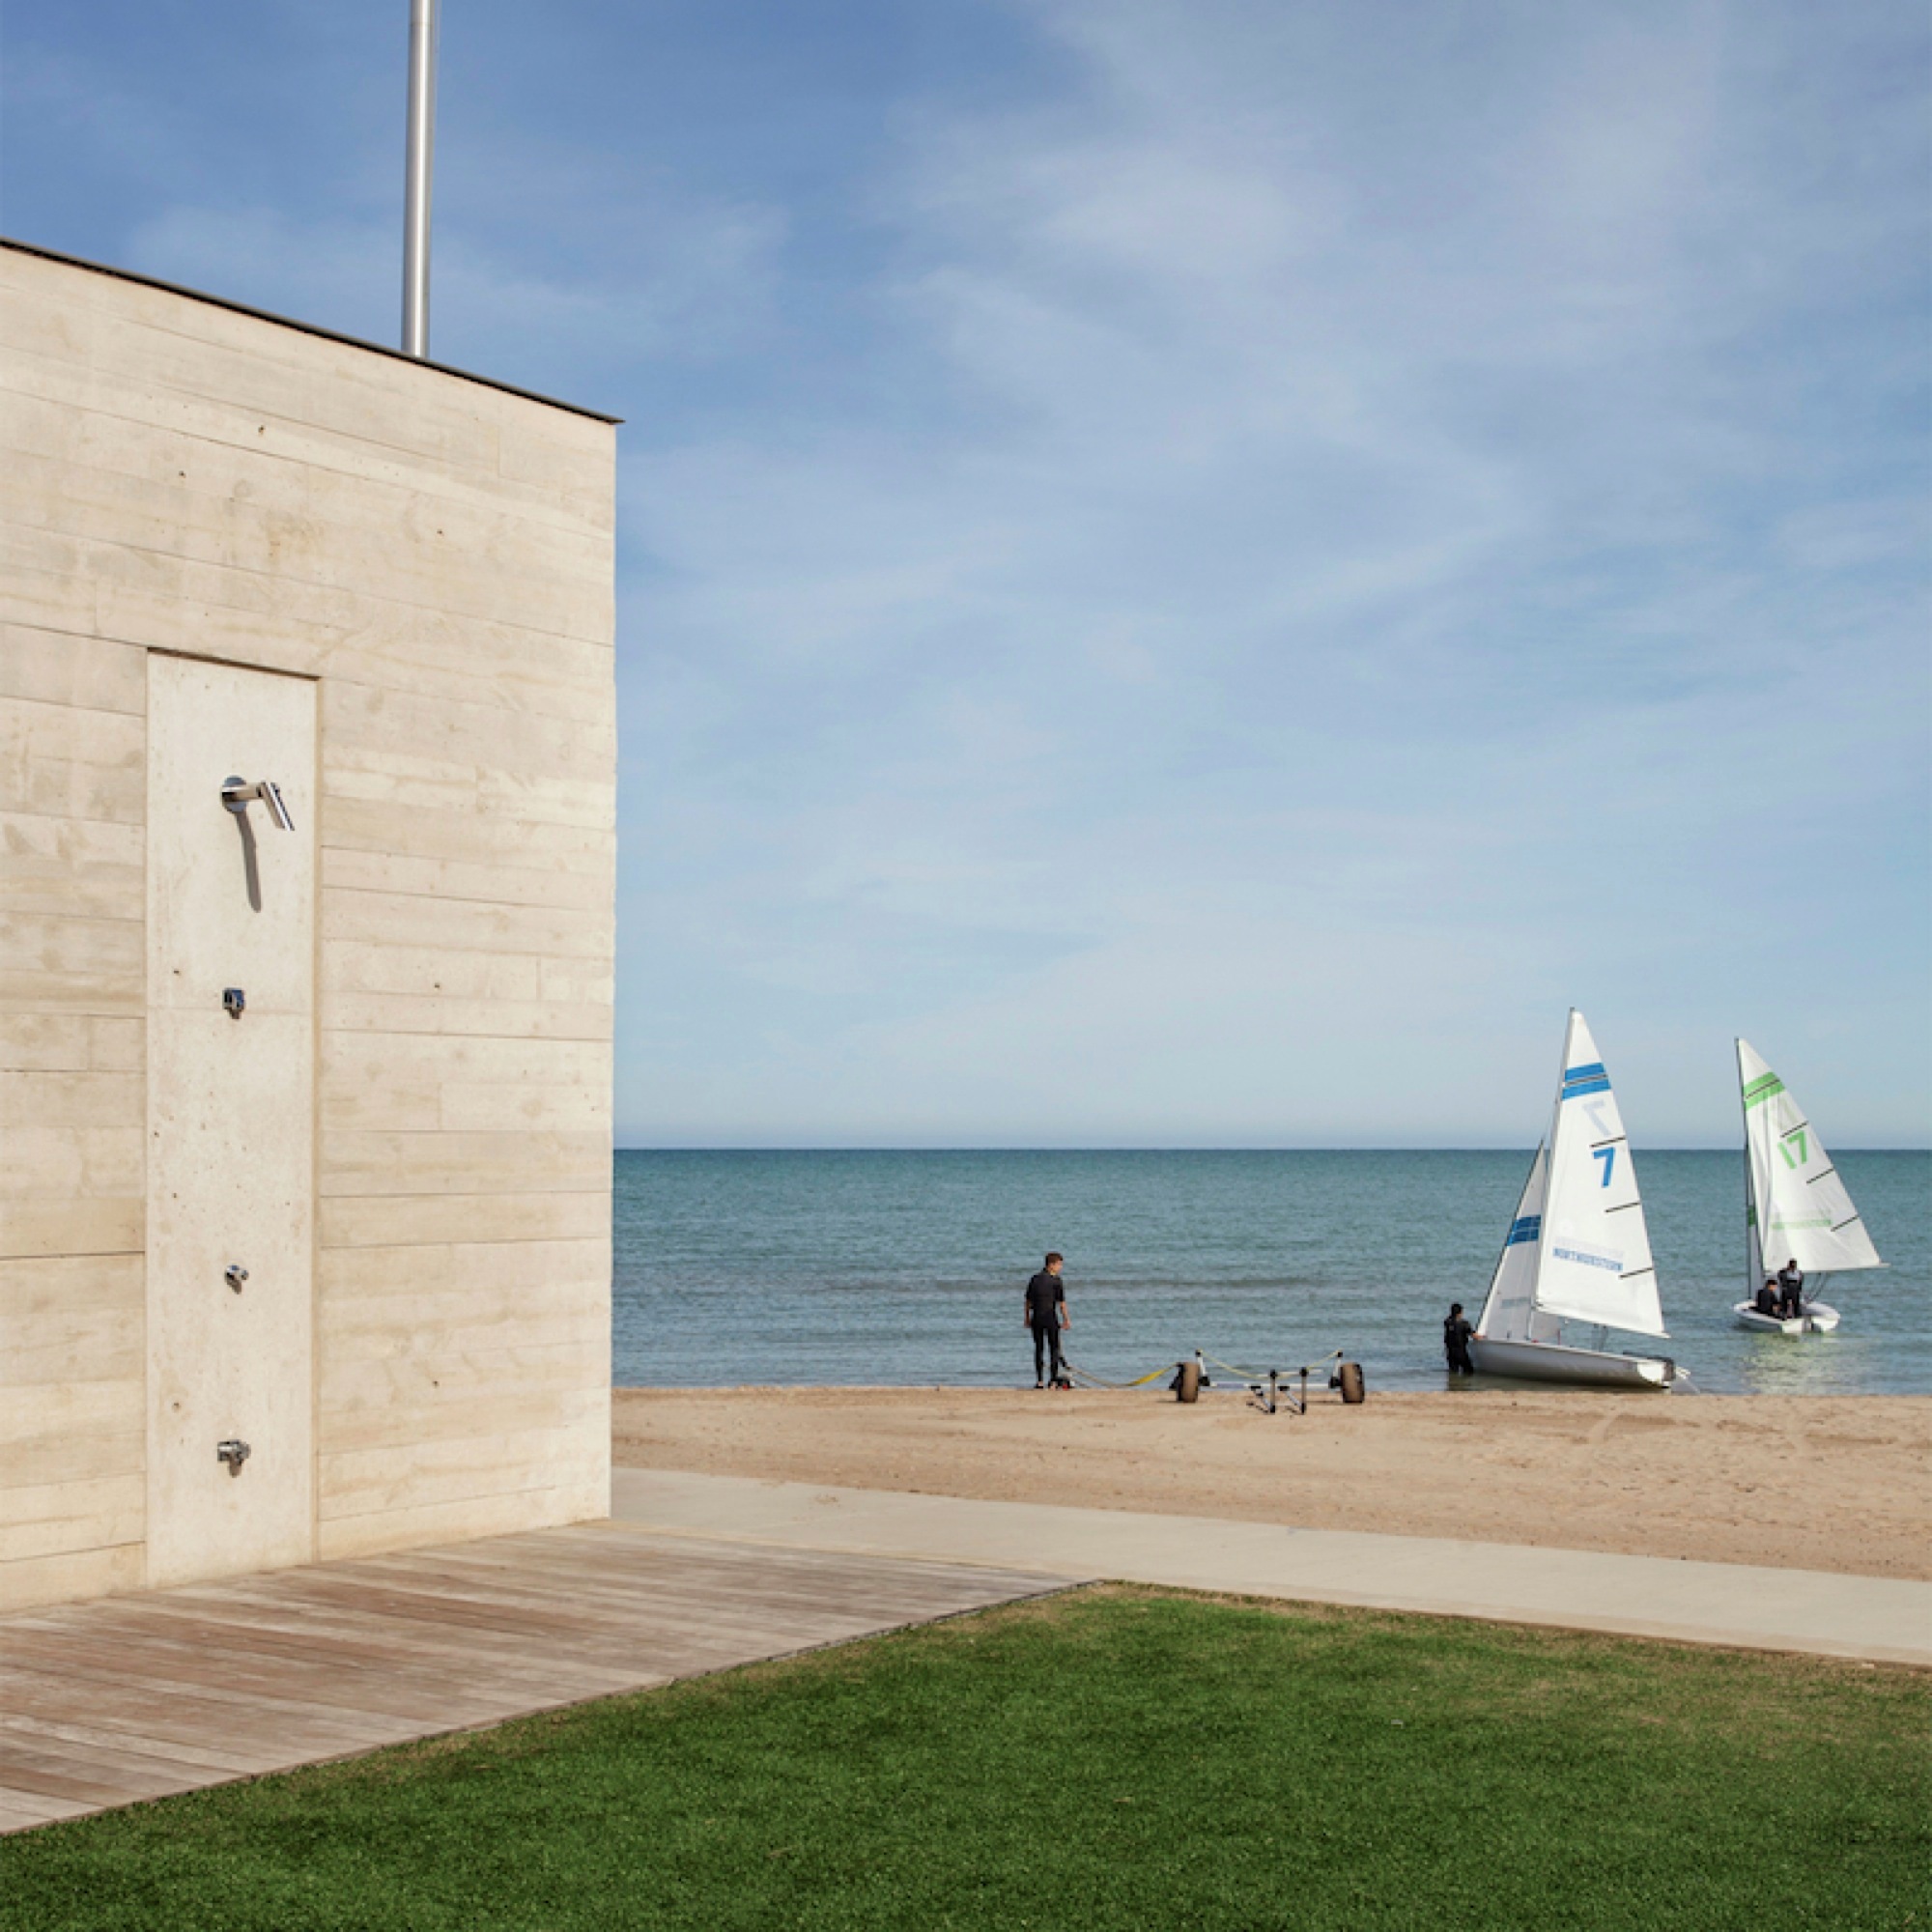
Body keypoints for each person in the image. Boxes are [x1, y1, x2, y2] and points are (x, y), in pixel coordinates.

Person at [1023, 1252, 1068, 1388]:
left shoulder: (1034, 1279)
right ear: (1052, 1265)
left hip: (1036, 1317)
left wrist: (1026, 1318)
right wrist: (1066, 1319)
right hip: (1050, 1317)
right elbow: (1062, 1303)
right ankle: (1053, 1381)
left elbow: (1028, 1302)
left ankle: (1039, 1381)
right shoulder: (1056, 1281)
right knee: (1054, 1349)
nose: (1060, 1267)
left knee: (1039, 1349)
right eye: (1059, 1264)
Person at [1443, 1301, 1475, 1375]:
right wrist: (1482, 1337)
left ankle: (1453, 1385)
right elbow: (1473, 1335)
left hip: (1450, 1353)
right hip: (1461, 1353)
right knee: (1469, 1371)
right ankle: (1462, 1385)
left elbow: (1450, 1320)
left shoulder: (1447, 1322)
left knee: (1453, 1372)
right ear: (1460, 1313)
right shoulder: (1464, 1324)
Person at [1776, 1257, 1804, 1321]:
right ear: (1789, 1264)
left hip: (1795, 1287)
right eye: (1792, 1265)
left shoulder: (1799, 1272)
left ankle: (1797, 1315)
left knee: (1796, 1302)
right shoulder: (1784, 1271)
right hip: (1787, 1286)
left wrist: (1799, 1288)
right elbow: (1779, 1276)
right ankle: (1783, 1315)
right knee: (1784, 1301)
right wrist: (1783, 1285)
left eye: (1794, 1265)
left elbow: (1801, 1280)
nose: (1793, 1266)